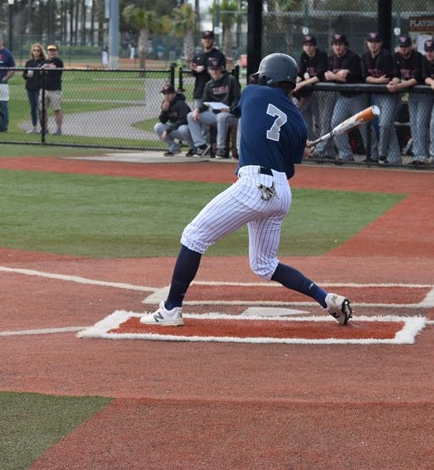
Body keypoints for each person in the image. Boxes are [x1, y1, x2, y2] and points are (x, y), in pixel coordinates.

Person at [140, 53, 353, 327]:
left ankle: (171, 310)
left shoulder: (253, 93)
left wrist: (296, 144)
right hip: (280, 192)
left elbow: (254, 121)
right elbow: (286, 155)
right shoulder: (299, 122)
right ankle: (326, 299)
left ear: (268, 77)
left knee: (193, 236)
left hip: (254, 185)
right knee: (264, 265)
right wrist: (301, 145)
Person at [324, 33, 366, 163]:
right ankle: (345, 154)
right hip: (342, 97)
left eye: (340, 44)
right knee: (336, 124)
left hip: (357, 97)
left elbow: (351, 78)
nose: (338, 47)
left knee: (363, 126)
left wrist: (335, 77)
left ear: (345, 46)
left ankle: (373, 155)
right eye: (335, 44)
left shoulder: (353, 58)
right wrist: (339, 77)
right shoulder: (331, 59)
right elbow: (326, 75)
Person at [188, 61, 241, 158]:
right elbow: (205, 101)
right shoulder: (209, 84)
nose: (214, 72)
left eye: (216, 69)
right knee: (191, 116)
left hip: (231, 115)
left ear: (221, 69)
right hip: (215, 114)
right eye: (212, 69)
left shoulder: (230, 80)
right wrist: (197, 110)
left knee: (221, 117)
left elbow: (237, 98)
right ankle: (201, 145)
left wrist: (230, 109)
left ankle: (221, 149)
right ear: (209, 70)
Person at [362, 31, 399, 164]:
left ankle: (382, 155)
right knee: (386, 126)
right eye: (371, 42)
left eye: (376, 42)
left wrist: (374, 80)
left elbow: (388, 78)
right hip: (375, 95)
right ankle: (395, 157)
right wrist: (378, 81)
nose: (373, 44)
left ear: (381, 43)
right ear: (367, 43)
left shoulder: (387, 56)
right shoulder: (365, 56)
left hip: (389, 96)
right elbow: (364, 77)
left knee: (384, 125)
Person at [389, 35, 426, 164]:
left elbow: (416, 79)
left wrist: (398, 86)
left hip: (424, 94)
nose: (403, 49)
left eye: (405, 46)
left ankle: (422, 156)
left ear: (411, 47)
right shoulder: (396, 57)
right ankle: (418, 156)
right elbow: (396, 75)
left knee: (421, 124)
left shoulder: (417, 57)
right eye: (401, 46)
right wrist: (393, 83)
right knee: (414, 125)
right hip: (411, 95)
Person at [293, 34, 331, 158]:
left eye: (310, 45)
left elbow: (320, 75)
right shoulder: (303, 56)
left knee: (322, 121)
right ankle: (312, 148)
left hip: (323, 92)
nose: (308, 48)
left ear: (315, 46)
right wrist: (297, 83)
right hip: (308, 93)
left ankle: (324, 151)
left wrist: (301, 84)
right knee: (306, 121)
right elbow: (300, 72)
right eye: (306, 45)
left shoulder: (321, 55)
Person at [154, 83, 194, 156]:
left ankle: (193, 149)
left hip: (188, 130)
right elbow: (163, 121)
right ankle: (174, 149)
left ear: (174, 94)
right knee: (158, 126)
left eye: (169, 93)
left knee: (183, 128)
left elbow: (183, 120)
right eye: (164, 94)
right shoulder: (166, 103)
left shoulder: (181, 104)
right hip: (176, 129)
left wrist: (168, 130)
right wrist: (164, 110)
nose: (166, 96)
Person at [189, 30, 224, 102]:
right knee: (198, 112)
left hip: (215, 93)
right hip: (200, 92)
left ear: (213, 40)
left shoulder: (219, 55)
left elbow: (222, 72)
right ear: (202, 40)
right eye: (205, 38)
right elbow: (194, 73)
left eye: (209, 38)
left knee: (214, 113)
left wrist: (204, 69)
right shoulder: (197, 56)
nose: (207, 40)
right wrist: (194, 69)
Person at [22, 43, 47, 134]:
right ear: (32, 52)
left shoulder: (43, 62)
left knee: (40, 108)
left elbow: (46, 75)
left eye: (38, 50)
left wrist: (41, 73)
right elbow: (24, 75)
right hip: (30, 87)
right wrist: (27, 75)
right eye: (34, 50)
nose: (36, 52)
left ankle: (43, 128)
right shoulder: (29, 62)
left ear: (41, 52)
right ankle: (34, 127)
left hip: (39, 88)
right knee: (32, 108)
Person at [42, 44, 64, 135]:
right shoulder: (45, 61)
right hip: (44, 89)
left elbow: (54, 68)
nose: (52, 52)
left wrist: (46, 67)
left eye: (53, 50)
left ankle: (58, 129)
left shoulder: (58, 61)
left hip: (55, 89)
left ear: (57, 52)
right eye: (50, 50)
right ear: (47, 52)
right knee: (43, 109)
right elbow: (40, 70)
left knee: (57, 109)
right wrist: (45, 67)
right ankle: (44, 128)